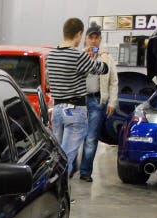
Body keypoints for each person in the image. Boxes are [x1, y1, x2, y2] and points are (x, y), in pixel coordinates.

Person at [45, 18, 109, 178]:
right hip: (75, 111)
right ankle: (60, 197)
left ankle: (54, 193)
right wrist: (103, 56)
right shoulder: (78, 56)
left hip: (57, 111)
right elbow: (102, 69)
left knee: (57, 156)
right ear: (79, 34)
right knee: (66, 159)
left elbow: (48, 79)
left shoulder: (51, 55)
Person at [78, 23, 118, 182]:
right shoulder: (79, 56)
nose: (93, 41)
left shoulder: (106, 58)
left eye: (96, 38)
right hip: (79, 100)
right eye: (90, 37)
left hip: (97, 100)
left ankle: (85, 172)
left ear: (100, 39)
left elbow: (114, 81)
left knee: (91, 137)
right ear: (85, 39)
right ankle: (70, 168)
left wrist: (112, 102)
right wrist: (84, 55)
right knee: (75, 136)